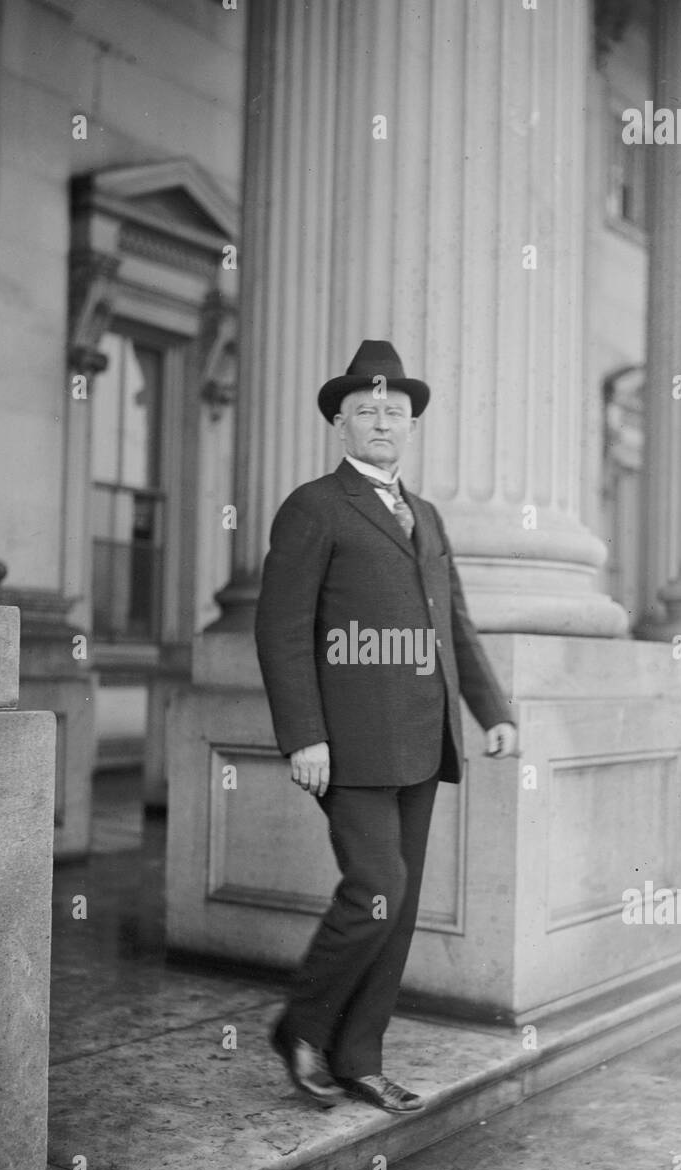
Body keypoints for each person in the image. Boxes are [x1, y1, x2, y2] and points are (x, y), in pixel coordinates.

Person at [255, 340, 517, 1114]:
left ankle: (358, 1057)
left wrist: (493, 712)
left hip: (421, 741)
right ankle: (300, 1027)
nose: (381, 422)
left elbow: (454, 628)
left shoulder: (426, 515)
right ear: (340, 424)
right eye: (365, 411)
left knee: (397, 910)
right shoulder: (313, 506)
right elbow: (280, 630)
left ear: (410, 426)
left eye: (394, 412)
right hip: (347, 747)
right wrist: (304, 735)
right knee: (377, 888)